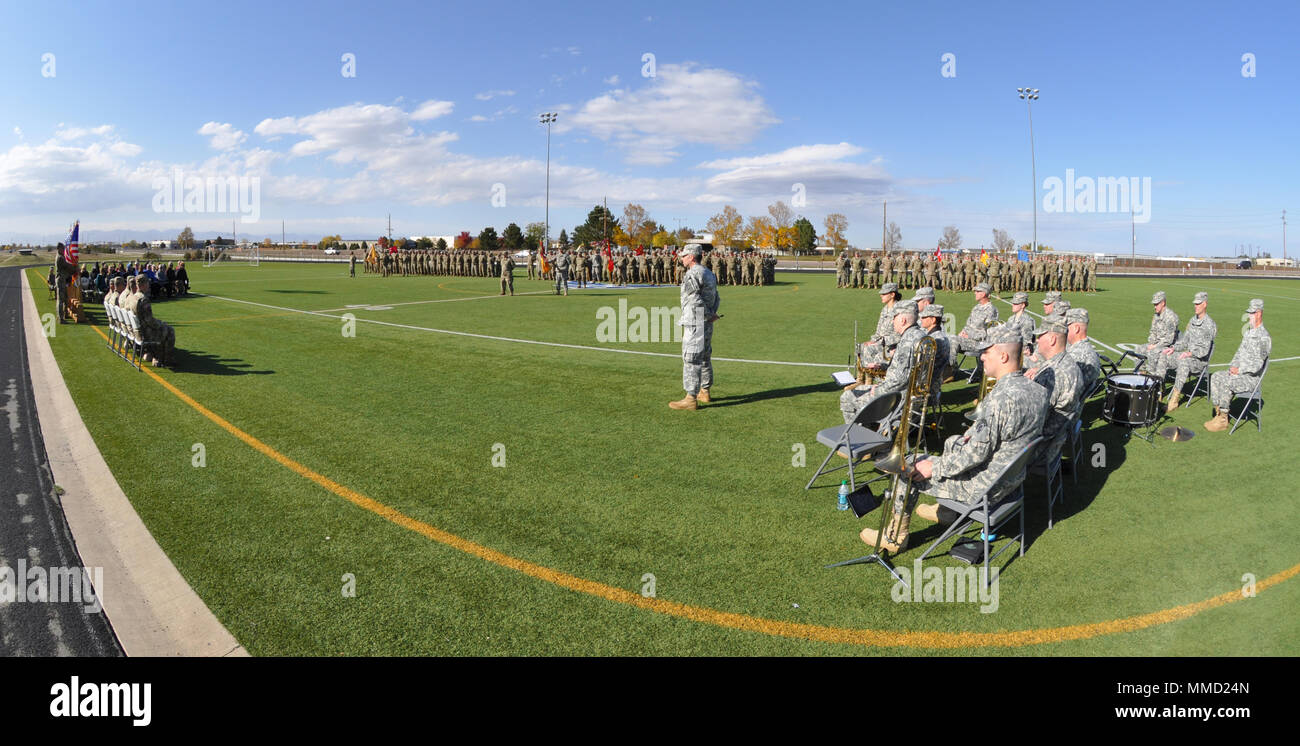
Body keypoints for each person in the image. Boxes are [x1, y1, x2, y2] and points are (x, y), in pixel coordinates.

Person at [859, 325, 1047, 552]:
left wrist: (933, 469)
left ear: (1004, 356)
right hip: (1010, 480)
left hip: (985, 487)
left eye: (987, 352)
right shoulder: (1037, 390)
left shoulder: (1001, 398)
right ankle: (947, 512)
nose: (982, 357)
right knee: (954, 442)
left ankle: (894, 537)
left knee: (907, 468)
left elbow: (975, 454)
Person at [840, 301, 924, 425]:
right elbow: (908, 369)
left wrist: (879, 390)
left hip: (897, 398)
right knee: (859, 390)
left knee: (847, 397)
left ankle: (858, 438)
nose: (892, 321)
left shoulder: (908, 341)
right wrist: (883, 366)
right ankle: (871, 428)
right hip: (913, 396)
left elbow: (900, 379)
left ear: (903, 320)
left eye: (894, 318)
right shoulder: (921, 336)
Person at [1024, 316, 1083, 467]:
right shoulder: (1068, 364)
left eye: (1040, 336)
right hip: (1054, 443)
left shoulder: (1053, 375)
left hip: (1039, 449)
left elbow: (1030, 418)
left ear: (1052, 340)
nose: (1037, 341)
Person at [1205, 299, 1270, 432]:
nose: (1249, 316)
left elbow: (1257, 365)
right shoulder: (1248, 333)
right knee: (1216, 376)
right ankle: (1219, 412)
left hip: (1251, 379)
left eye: (1252, 313)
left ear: (1259, 313)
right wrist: (1232, 366)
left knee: (1228, 382)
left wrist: (1239, 370)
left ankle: (1223, 420)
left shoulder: (1264, 338)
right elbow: (1239, 353)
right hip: (1239, 374)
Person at [669, 244, 720, 411]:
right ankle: (704, 391)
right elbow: (716, 297)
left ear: (691, 257)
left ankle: (690, 397)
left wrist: (707, 314)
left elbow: (694, 299)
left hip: (695, 321)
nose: (681, 258)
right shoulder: (709, 273)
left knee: (691, 358)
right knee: (705, 356)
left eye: (684, 255)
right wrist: (712, 313)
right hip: (706, 322)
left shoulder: (692, 274)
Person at [1155, 292, 1217, 411]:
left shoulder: (1209, 324)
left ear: (1205, 304)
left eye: (1198, 304)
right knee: (1164, 356)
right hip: (1187, 356)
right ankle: (1158, 393)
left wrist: (1190, 353)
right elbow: (1184, 341)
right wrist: (1173, 348)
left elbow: (1204, 350)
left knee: (1184, 362)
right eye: (1195, 304)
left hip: (1199, 361)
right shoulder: (1193, 321)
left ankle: (1174, 401)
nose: (1195, 306)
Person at [859, 283, 902, 372]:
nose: (881, 296)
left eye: (884, 294)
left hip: (891, 346)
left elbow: (900, 334)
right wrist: (873, 340)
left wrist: (881, 341)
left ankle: (870, 377)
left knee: (868, 349)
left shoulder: (899, 310)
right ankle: (863, 378)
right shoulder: (884, 309)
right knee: (862, 346)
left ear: (892, 295)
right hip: (881, 343)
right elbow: (879, 331)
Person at [1139, 291, 1179, 373]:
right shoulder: (1156, 316)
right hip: (1156, 345)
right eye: (1154, 304)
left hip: (1167, 347)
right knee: (1138, 349)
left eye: (1156, 304)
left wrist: (1154, 347)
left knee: (1152, 353)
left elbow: (1169, 340)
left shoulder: (1171, 317)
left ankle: (1153, 379)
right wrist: (1151, 343)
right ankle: (1142, 373)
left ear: (1163, 303)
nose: (1155, 307)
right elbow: (1153, 331)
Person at [1063, 308, 1102, 394]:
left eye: (1066, 326)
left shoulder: (1079, 355)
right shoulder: (1079, 349)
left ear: (1076, 328)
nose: (1063, 330)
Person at [955, 282, 999, 354]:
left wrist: (970, 336)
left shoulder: (991, 310)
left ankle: (950, 365)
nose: (975, 293)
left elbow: (989, 333)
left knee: (953, 340)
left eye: (978, 291)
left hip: (979, 344)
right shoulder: (976, 307)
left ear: (984, 294)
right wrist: (962, 332)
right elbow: (968, 325)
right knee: (948, 339)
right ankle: (949, 365)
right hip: (968, 340)